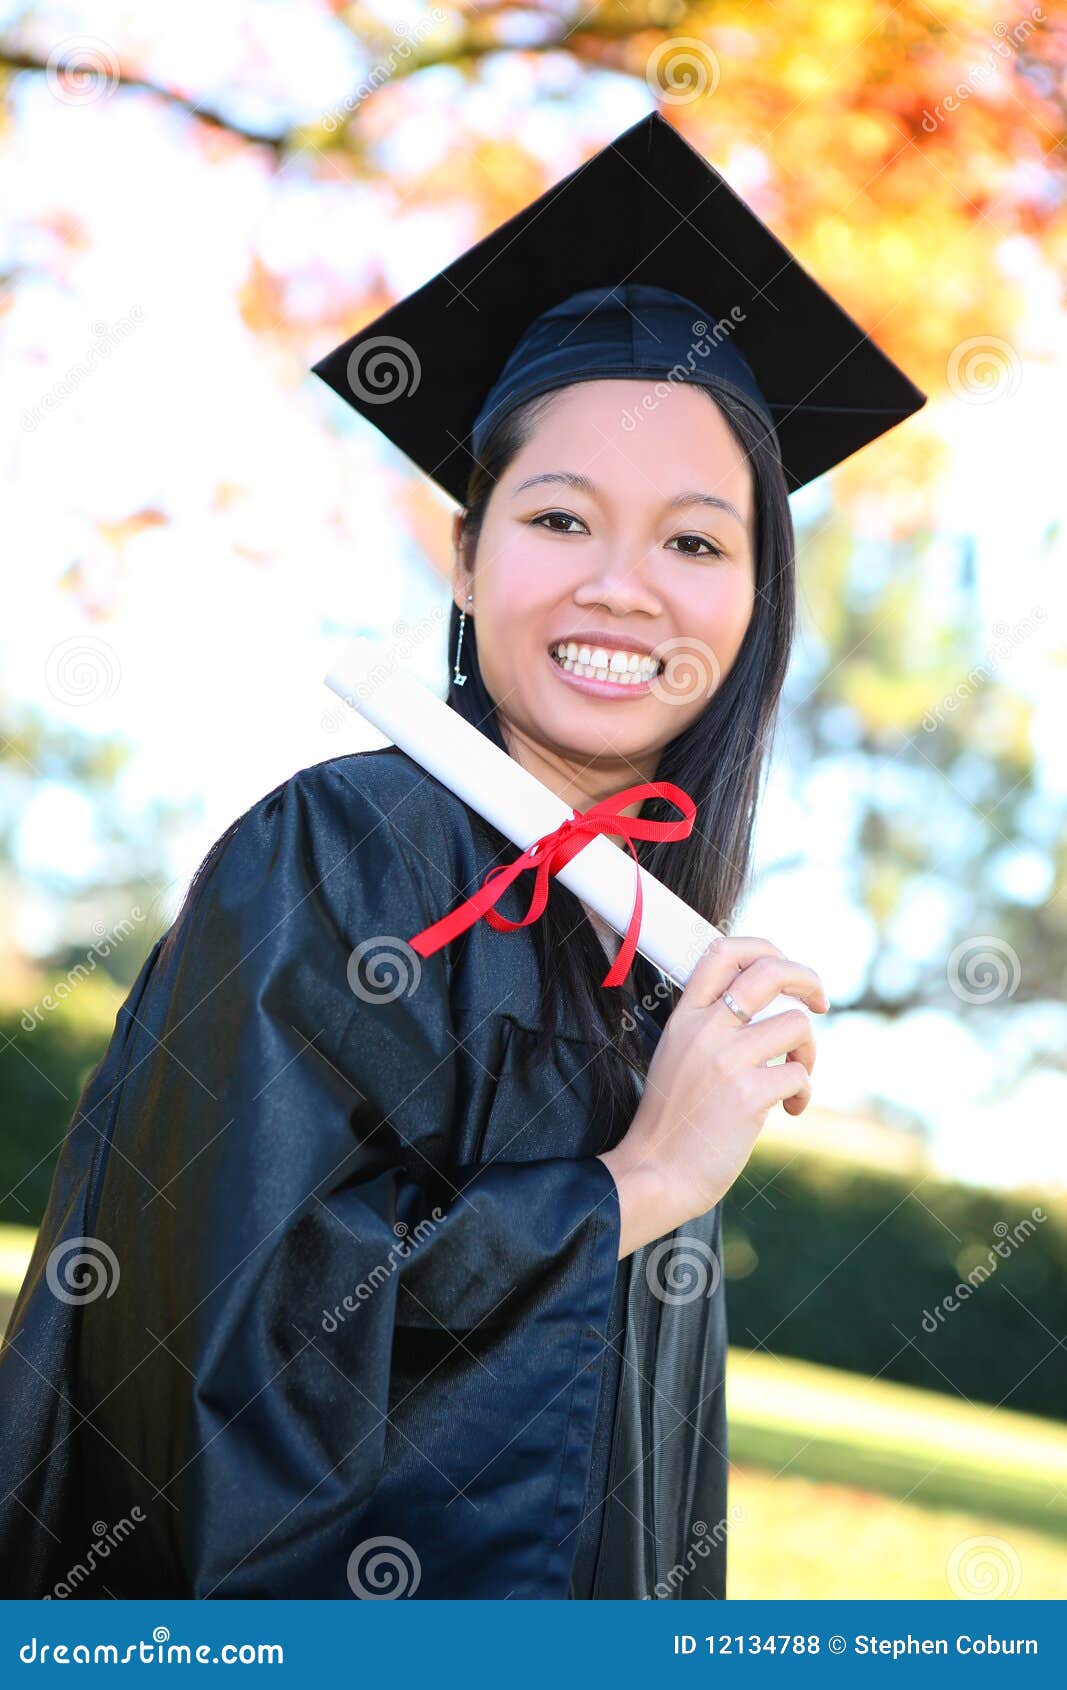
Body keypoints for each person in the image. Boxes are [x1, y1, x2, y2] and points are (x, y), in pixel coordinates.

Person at [0, 111, 925, 1599]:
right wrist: (634, 1184)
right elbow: (217, 1362)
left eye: (697, 543)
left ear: (760, 597)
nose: (626, 588)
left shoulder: (652, 949)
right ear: (467, 550)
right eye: (562, 517)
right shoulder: (337, 851)